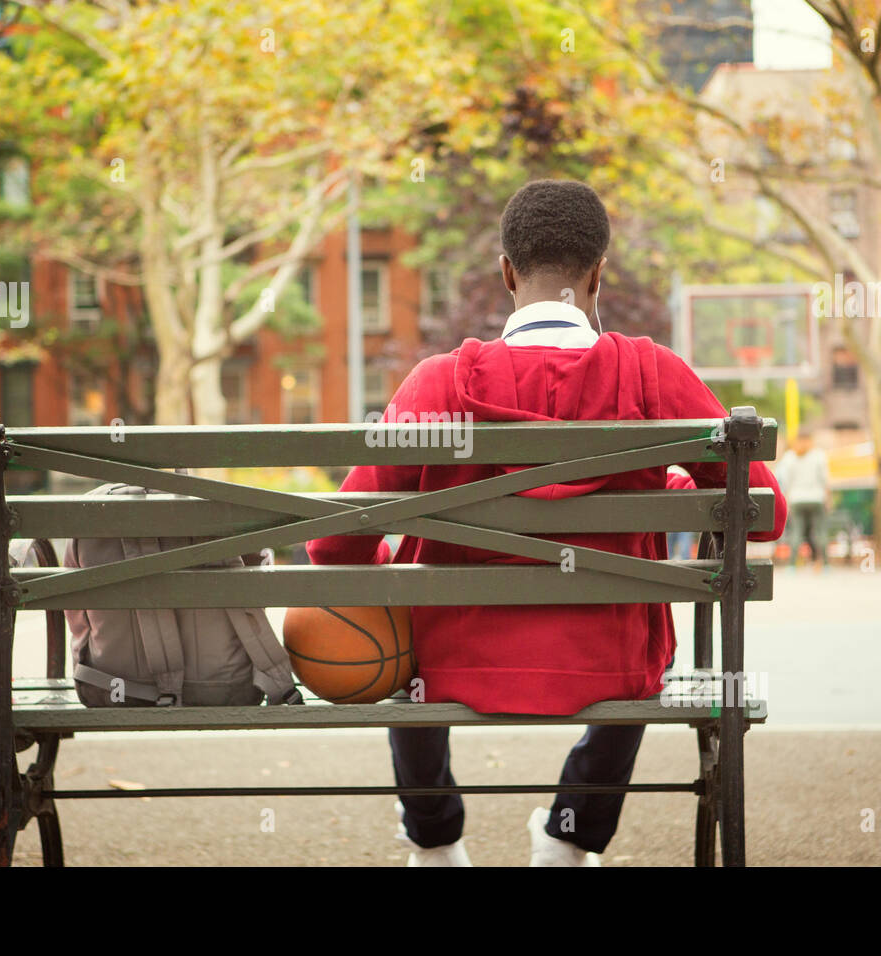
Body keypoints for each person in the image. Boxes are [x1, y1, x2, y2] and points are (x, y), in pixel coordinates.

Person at [306, 180, 788, 866]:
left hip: (447, 661)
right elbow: (764, 516)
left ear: (506, 273)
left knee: (400, 614)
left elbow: (333, 541)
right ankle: (570, 834)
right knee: (653, 647)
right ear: (597, 275)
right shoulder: (652, 374)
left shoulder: (437, 382)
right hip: (611, 663)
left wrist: (390, 578)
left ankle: (435, 839)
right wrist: (674, 487)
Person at [774, 429, 829, 570]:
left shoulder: (789, 457)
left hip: (796, 499)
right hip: (817, 498)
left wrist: (787, 500)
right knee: (819, 532)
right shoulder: (819, 456)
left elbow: (785, 482)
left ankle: (792, 565)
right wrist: (828, 498)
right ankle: (825, 564)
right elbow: (824, 480)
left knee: (796, 532)